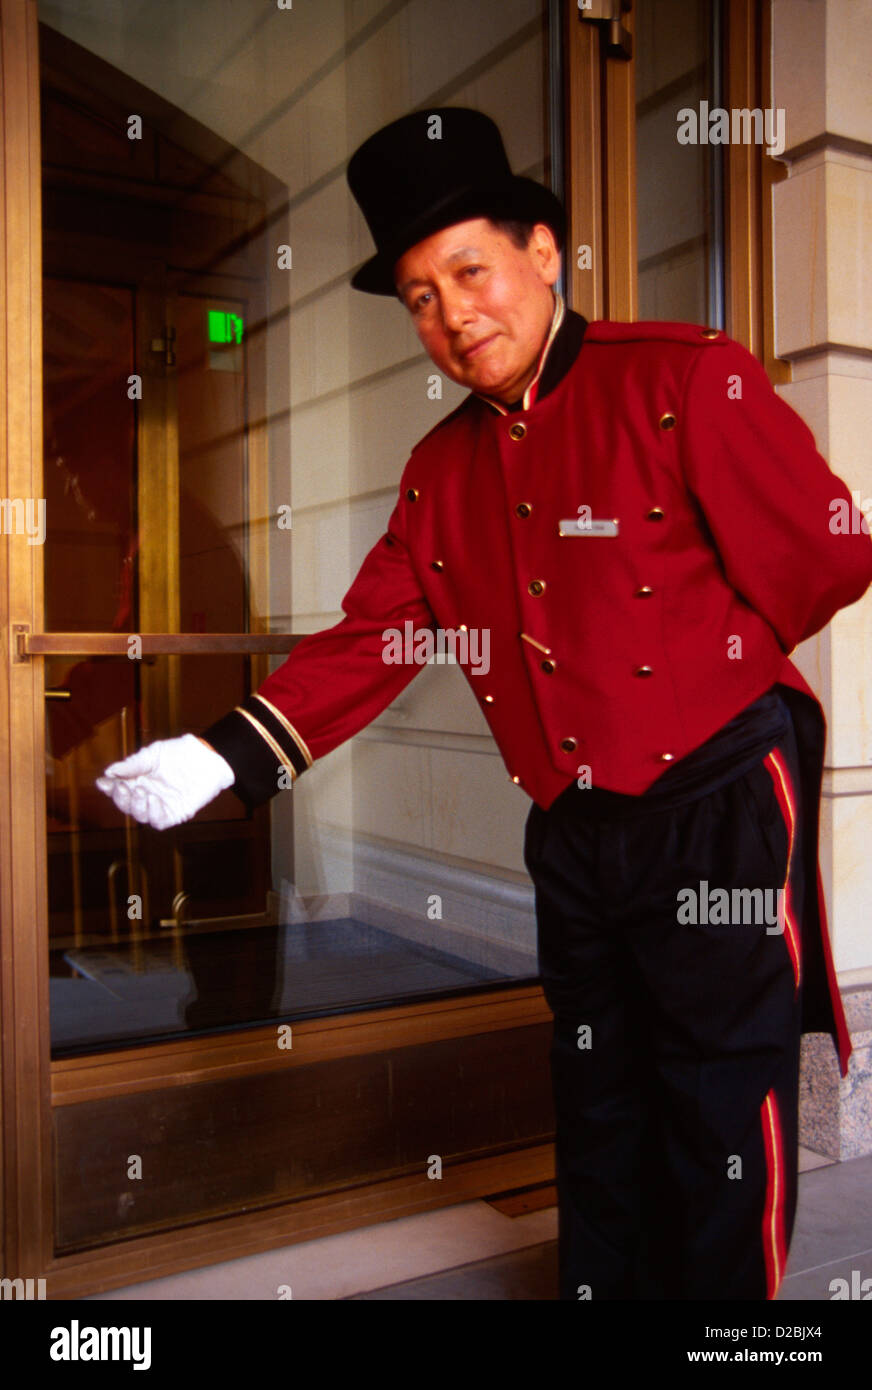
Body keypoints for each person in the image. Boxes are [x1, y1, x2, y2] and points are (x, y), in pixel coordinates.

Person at [98, 108, 872, 1300]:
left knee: (721, 1096)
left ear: (544, 253)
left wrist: (699, 662)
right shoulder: (439, 466)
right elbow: (380, 634)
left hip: (713, 795)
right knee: (597, 1093)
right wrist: (228, 755)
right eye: (417, 295)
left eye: (468, 270)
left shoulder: (681, 374)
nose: (451, 314)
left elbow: (823, 559)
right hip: (569, 824)